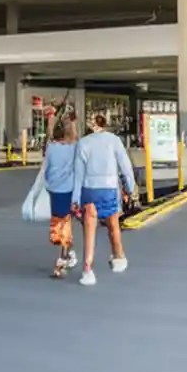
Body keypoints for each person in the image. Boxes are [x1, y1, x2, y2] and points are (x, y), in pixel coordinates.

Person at [71, 113, 136, 286]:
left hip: (89, 190)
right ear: (105, 124)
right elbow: (125, 167)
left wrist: (75, 199)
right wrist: (130, 188)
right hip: (109, 189)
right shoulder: (114, 140)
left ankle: (87, 270)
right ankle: (118, 257)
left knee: (89, 231)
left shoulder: (83, 143)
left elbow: (78, 175)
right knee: (113, 225)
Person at [39, 116, 80, 278]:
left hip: (54, 190)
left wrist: (50, 122)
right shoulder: (74, 148)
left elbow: (47, 168)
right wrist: (74, 124)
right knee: (65, 223)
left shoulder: (51, 148)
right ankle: (62, 259)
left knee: (58, 220)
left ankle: (66, 252)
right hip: (68, 189)